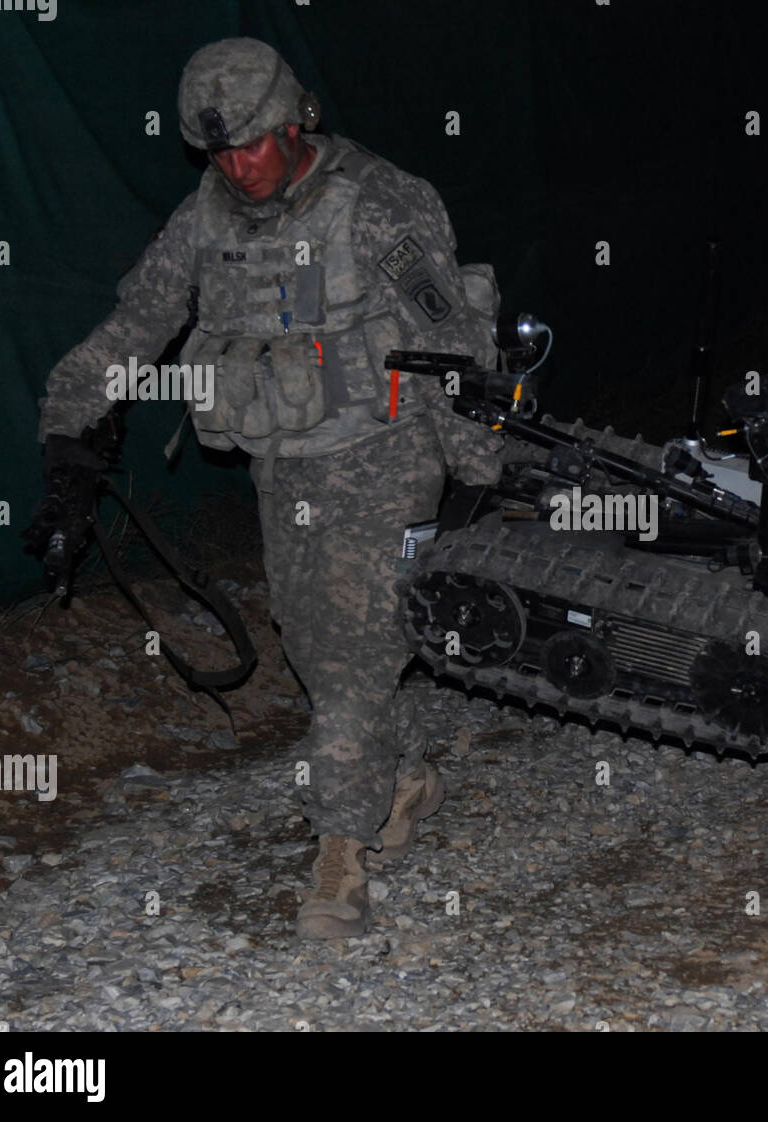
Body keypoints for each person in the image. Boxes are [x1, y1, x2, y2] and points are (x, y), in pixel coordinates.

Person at [35, 38, 504, 939]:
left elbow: (455, 350)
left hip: (387, 454)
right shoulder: (207, 217)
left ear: (297, 122)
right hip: (284, 463)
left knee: (358, 649)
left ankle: (339, 858)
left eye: (253, 143)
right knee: (312, 637)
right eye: (218, 151)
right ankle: (401, 772)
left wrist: (475, 475)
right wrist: (66, 434)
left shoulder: (379, 206)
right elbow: (140, 319)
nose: (238, 165)